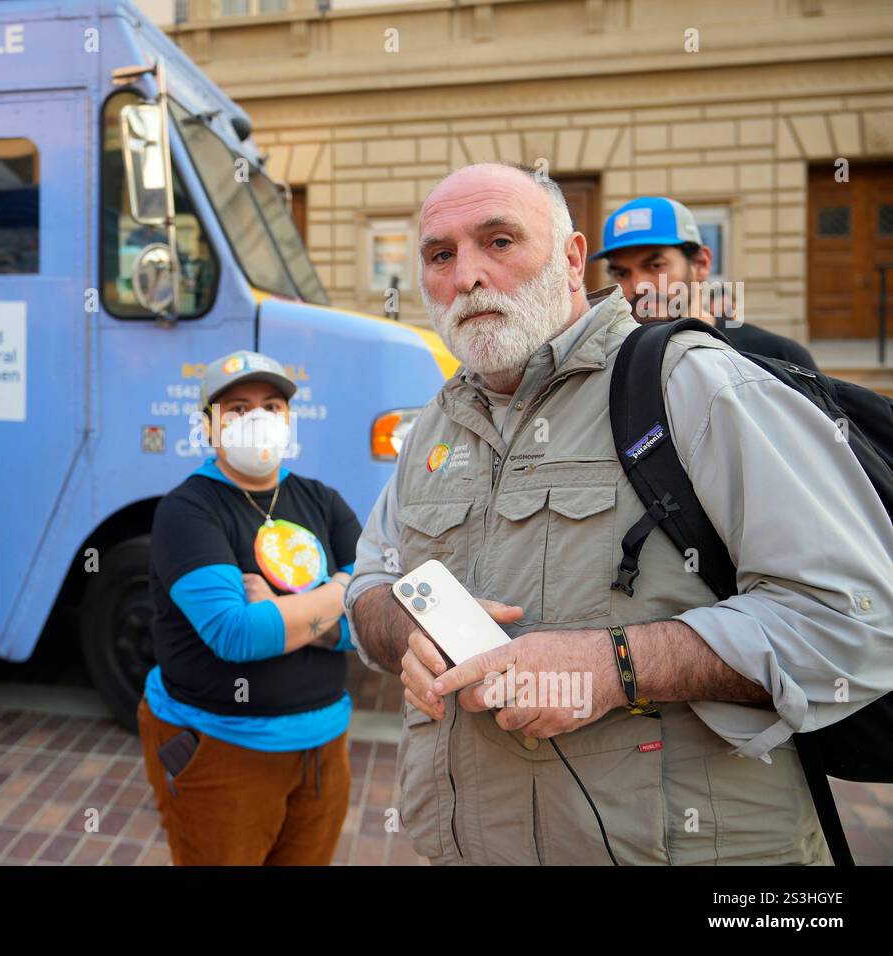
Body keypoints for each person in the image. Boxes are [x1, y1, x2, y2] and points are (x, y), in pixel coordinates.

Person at [345, 162, 893, 865]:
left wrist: (612, 666)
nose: (468, 276)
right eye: (441, 255)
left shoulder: (692, 385)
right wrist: (404, 629)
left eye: (500, 241)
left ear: (572, 261)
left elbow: (858, 616)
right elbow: (365, 587)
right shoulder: (431, 427)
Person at [138, 350, 362, 865]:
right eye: (236, 409)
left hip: (324, 748)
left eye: (270, 405)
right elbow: (239, 635)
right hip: (220, 747)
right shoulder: (188, 509)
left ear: (288, 419)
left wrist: (292, 613)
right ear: (208, 427)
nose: (256, 419)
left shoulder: (322, 500)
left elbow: (374, 617)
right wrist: (339, 592)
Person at [595, 195, 819, 370]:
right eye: (621, 273)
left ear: (701, 264)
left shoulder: (775, 356)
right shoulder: (612, 359)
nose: (637, 285)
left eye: (655, 266)